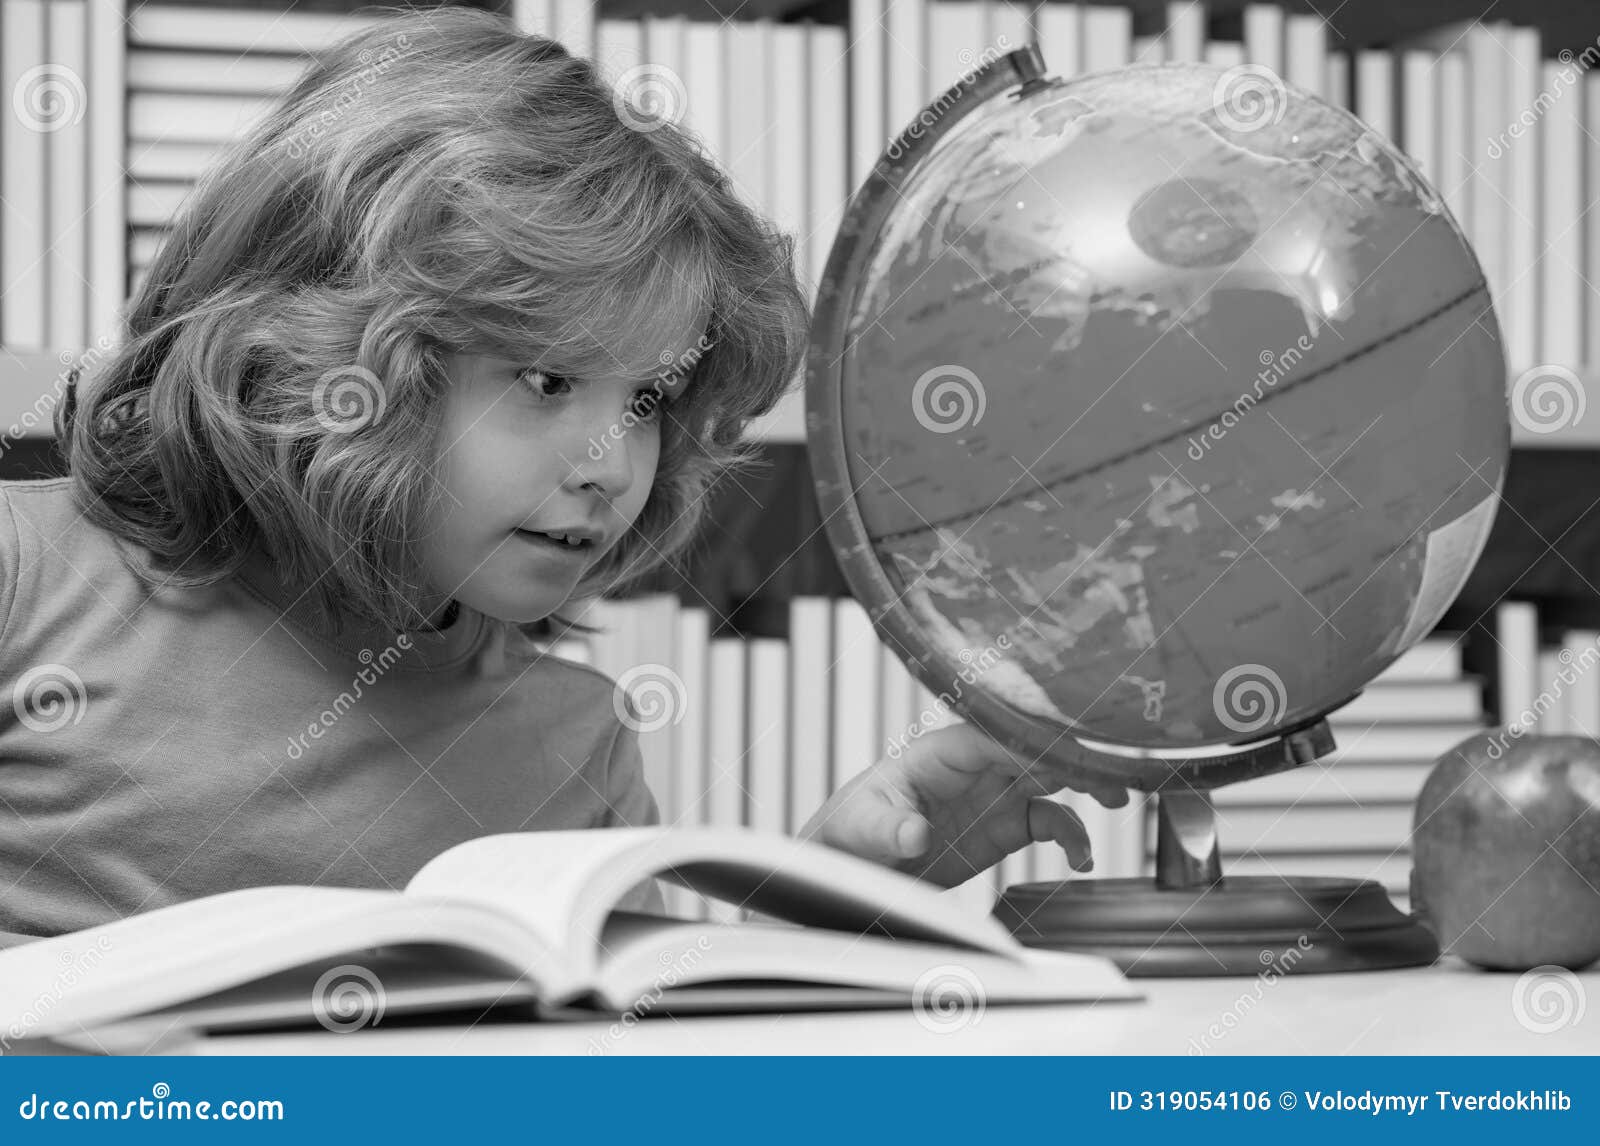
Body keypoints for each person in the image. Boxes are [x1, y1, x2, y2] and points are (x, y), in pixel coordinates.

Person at [0, 7, 1123, 943]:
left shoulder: (570, 738)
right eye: (542, 380)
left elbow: (609, 1070)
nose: (610, 467)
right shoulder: (28, 578)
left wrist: (823, 912)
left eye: (648, 401)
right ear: (322, 360)